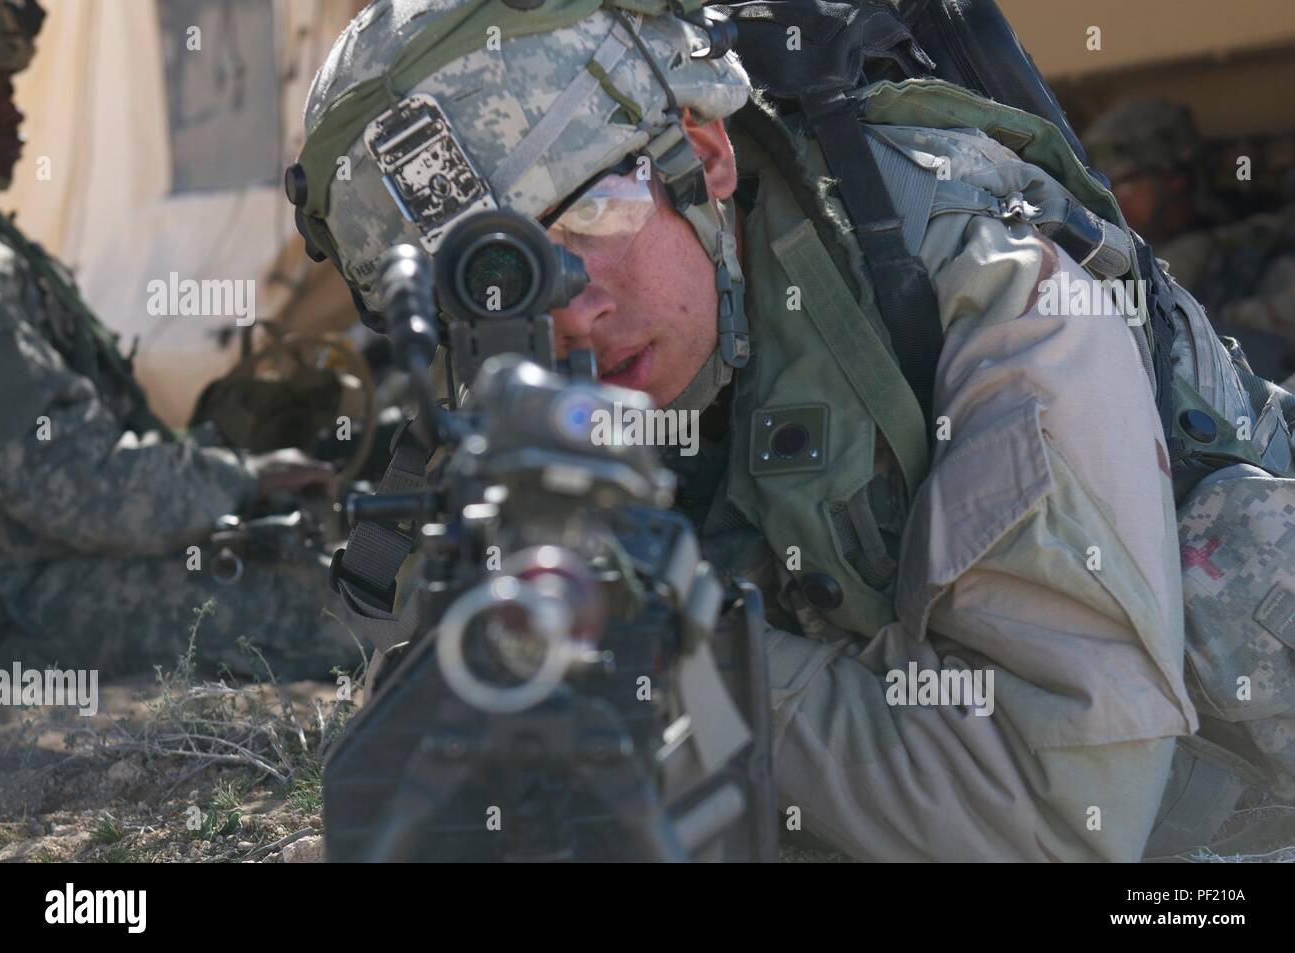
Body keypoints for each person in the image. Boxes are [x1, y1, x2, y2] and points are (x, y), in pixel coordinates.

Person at [300, 0, 1203, 861]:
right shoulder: (500, 401)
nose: (571, 313)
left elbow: (1054, 825)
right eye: (498, 280)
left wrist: (655, 639)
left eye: (592, 210)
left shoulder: (985, 289)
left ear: (704, 150)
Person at [0, 0, 359, 681]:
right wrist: (237, 480)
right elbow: (78, 486)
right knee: (310, 604)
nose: (18, 115)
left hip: (41, 563)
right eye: (1, 92)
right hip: (21, 595)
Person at [1084, 98, 1295, 381]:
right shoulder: (1107, 260)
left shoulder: (1256, 249)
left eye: (1127, 181)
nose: (1114, 196)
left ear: (1173, 178)